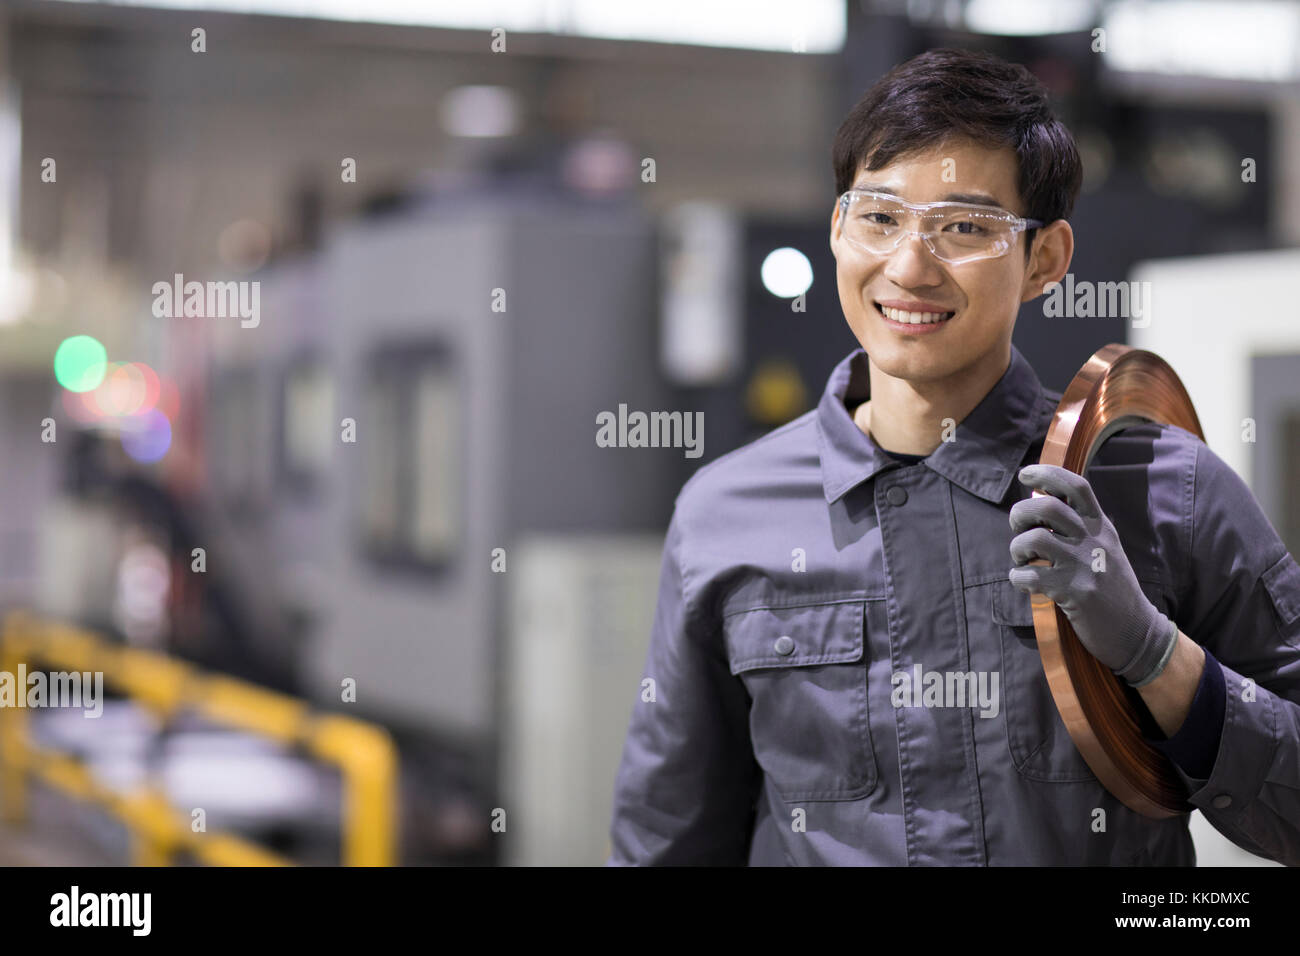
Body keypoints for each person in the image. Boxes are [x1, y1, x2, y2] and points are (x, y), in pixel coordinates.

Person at [606, 47, 1300, 866]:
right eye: (879, 217)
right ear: (837, 229)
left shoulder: (1165, 494)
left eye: (965, 227)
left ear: (1046, 259)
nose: (908, 267)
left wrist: (1155, 654)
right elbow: (667, 837)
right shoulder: (726, 515)